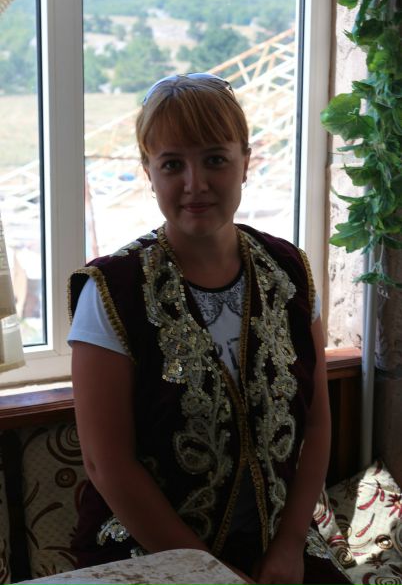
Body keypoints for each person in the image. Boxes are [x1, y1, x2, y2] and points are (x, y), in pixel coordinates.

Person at [68, 73, 351, 584]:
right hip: (150, 551)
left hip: (275, 546)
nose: (194, 184)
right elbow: (106, 463)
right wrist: (211, 573)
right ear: (148, 172)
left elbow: (316, 426)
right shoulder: (112, 291)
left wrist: (290, 544)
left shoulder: (288, 272)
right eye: (172, 164)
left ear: (246, 161)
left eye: (215, 159)